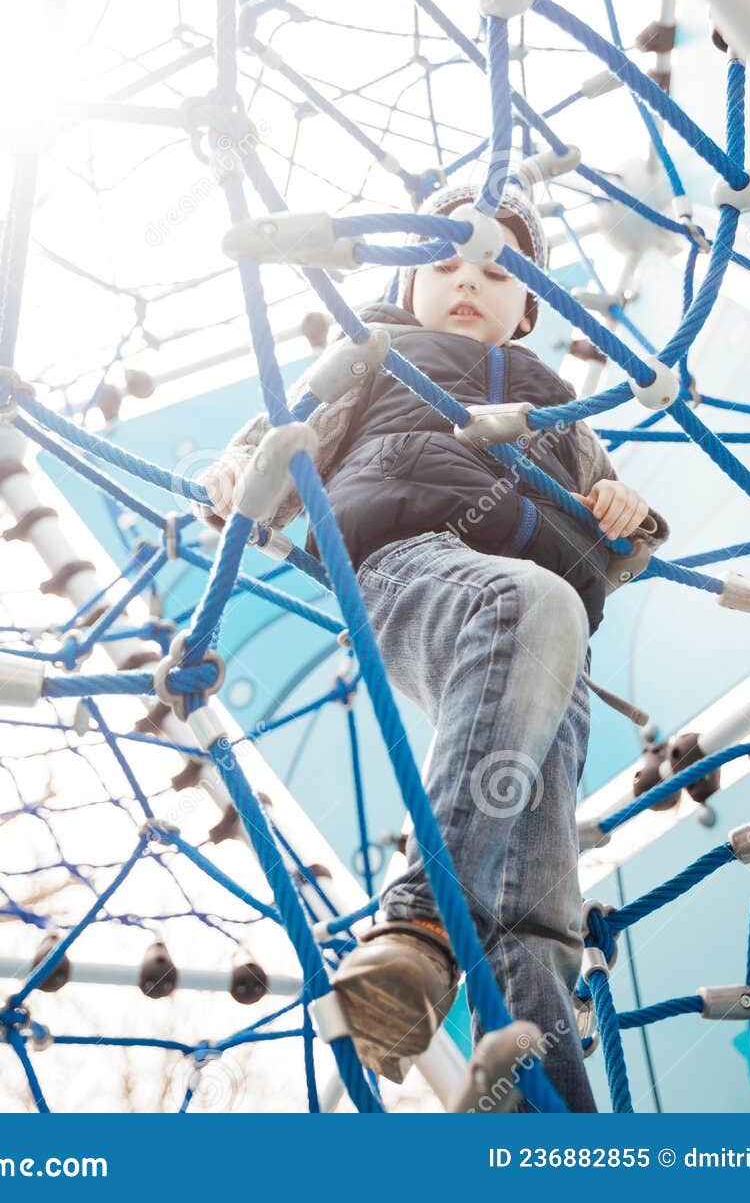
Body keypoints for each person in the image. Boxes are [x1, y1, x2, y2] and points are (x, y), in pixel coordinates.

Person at [195, 180, 669, 1110]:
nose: (466, 281)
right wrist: (238, 473)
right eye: (443, 263)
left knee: (539, 899)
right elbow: (283, 444)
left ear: (528, 307)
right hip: (410, 565)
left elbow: (624, 538)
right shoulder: (374, 355)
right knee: (525, 604)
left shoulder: (559, 408)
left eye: (495, 272)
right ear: (404, 286)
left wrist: (628, 519)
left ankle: (546, 1117)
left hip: (554, 634)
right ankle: (417, 930)